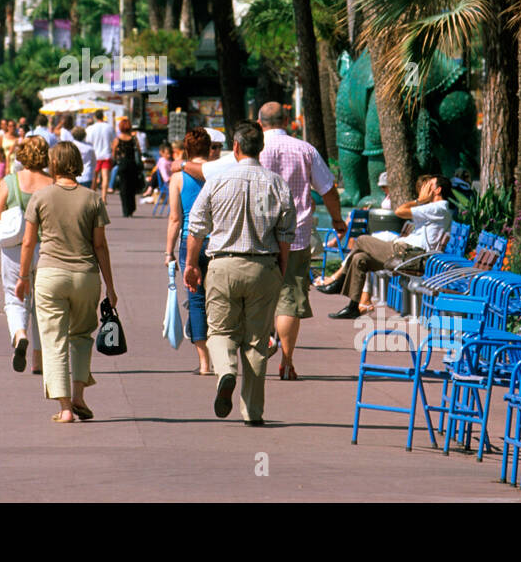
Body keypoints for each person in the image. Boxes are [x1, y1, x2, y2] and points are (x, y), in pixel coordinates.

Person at [183, 122, 293, 426]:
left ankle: (226, 369)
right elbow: (286, 233)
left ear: (235, 147)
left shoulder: (218, 181)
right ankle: (252, 411)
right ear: (261, 149)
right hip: (263, 265)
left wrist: (191, 264)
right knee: (257, 341)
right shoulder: (277, 184)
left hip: (222, 265)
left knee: (220, 330)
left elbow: (196, 225)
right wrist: (280, 268)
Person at [15, 142, 116, 423]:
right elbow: (101, 246)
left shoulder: (41, 197)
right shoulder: (93, 198)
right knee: (82, 336)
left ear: (54, 164)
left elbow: (28, 242)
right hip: (86, 276)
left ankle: (65, 408)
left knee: (53, 340)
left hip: (50, 276)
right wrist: (111, 287)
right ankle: (79, 395)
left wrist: (23, 277)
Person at [256, 101, 346, 381]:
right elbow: (328, 189)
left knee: (258, 295)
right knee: (290, 299)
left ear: (260, 123)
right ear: (287, 121)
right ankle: (287, 361)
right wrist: (337, 220)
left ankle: (256, 356)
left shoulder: (253, 150)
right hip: (296, 236)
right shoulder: (305, 149)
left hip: (258, 236)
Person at [324, 175, 454, 319]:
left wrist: (419, 200)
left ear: (438, 190)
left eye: (429, 185)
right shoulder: (435, 208)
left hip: (410, 254)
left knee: (361, 240)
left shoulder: (437, 208)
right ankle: (353, 307)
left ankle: (339, 278)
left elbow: (399, 211)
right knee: (360, 259)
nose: (424, 188)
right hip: (408, 252)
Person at [0, 135, 51, 375]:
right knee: (42, 305)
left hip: (14, 248)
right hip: (45, 248)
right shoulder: (52, 183)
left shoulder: (10, 181)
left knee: (15, 298)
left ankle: (19, 334)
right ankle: (38, 360)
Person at [165, 128, 214, 375]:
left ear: (186, 150)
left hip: (188, 242)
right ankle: (223, 356)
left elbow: (175, 218)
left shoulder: (178, 178)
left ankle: (204, 362)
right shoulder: (217, 173)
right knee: (218, 301)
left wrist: (168, 252)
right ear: (210, 149)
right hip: (217, 242)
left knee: (196, 301)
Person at [112, 118, 142, 217]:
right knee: (131, 188)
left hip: (123, 165)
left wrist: (117, 160)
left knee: (123, 188)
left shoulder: (117, 140)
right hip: (132, 165)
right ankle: (131, 208)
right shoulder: (134, 139)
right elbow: (139, 152)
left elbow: (114, 154)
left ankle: (125, 210)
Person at [86, 110, 115, 204]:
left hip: (95, 155)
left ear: (95, 117)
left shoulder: (90, 128)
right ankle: (103, 198)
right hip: (106, 154)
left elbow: (88, 141)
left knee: (94, 177)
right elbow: (113, 141)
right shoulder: (109, 127)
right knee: (105, 177)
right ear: (103, 116)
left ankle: (93, 196)